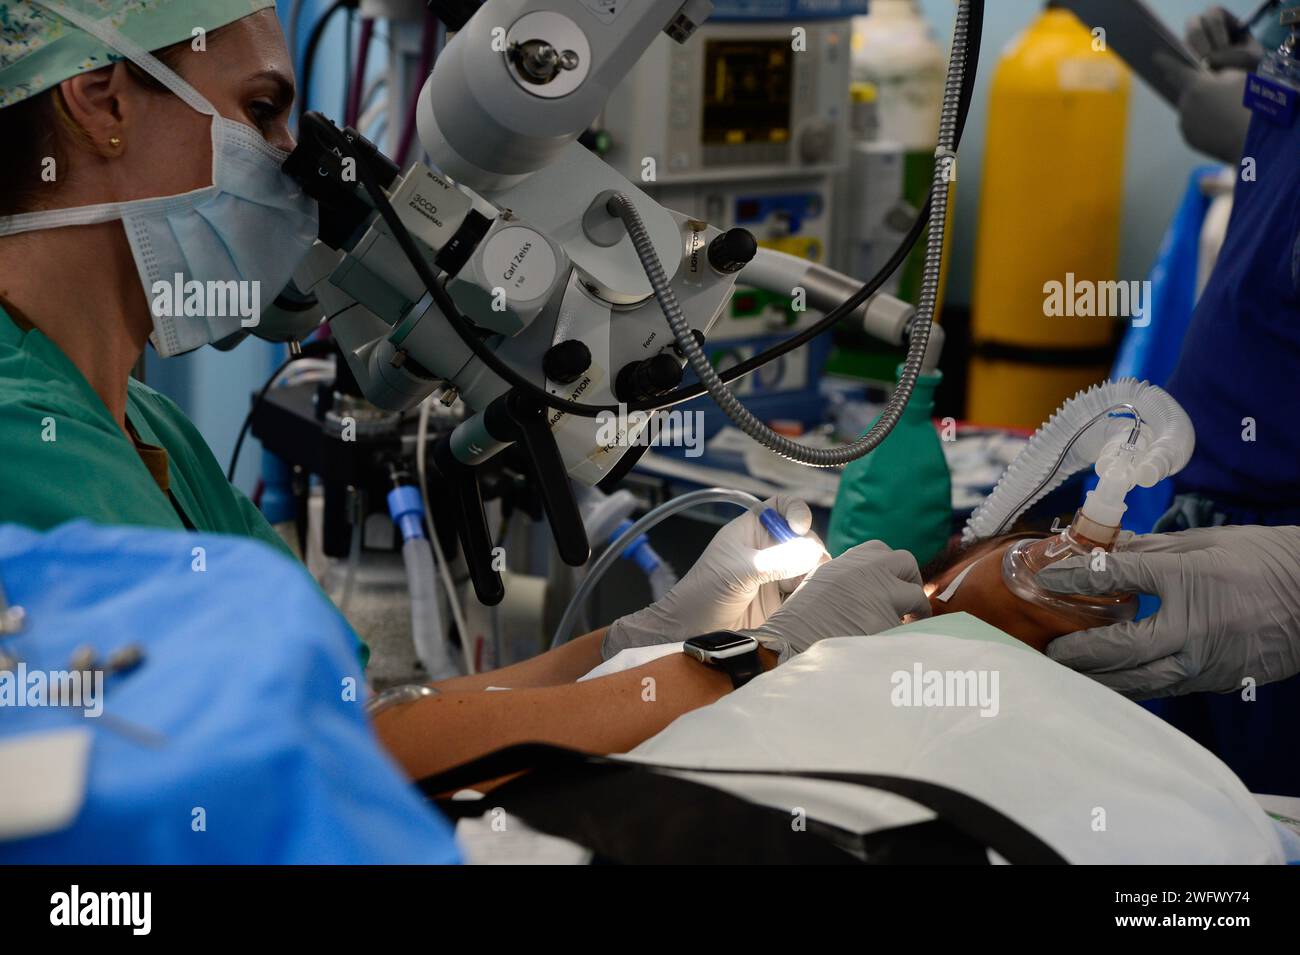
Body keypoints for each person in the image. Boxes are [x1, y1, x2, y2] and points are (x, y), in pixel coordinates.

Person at [0, 0, 932, 768]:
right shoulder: (22, 439)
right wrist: (749, 659)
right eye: (262, 112)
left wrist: (634, 645)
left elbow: (377, 711)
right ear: (102, 101)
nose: (293, 162)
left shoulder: (147, 426)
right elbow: (341, 751)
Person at [1044, 4, 1300, 793]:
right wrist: (1257, 94)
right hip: (1215, 530)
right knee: (1206, 819)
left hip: (1278, 575)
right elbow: (1264, 148)